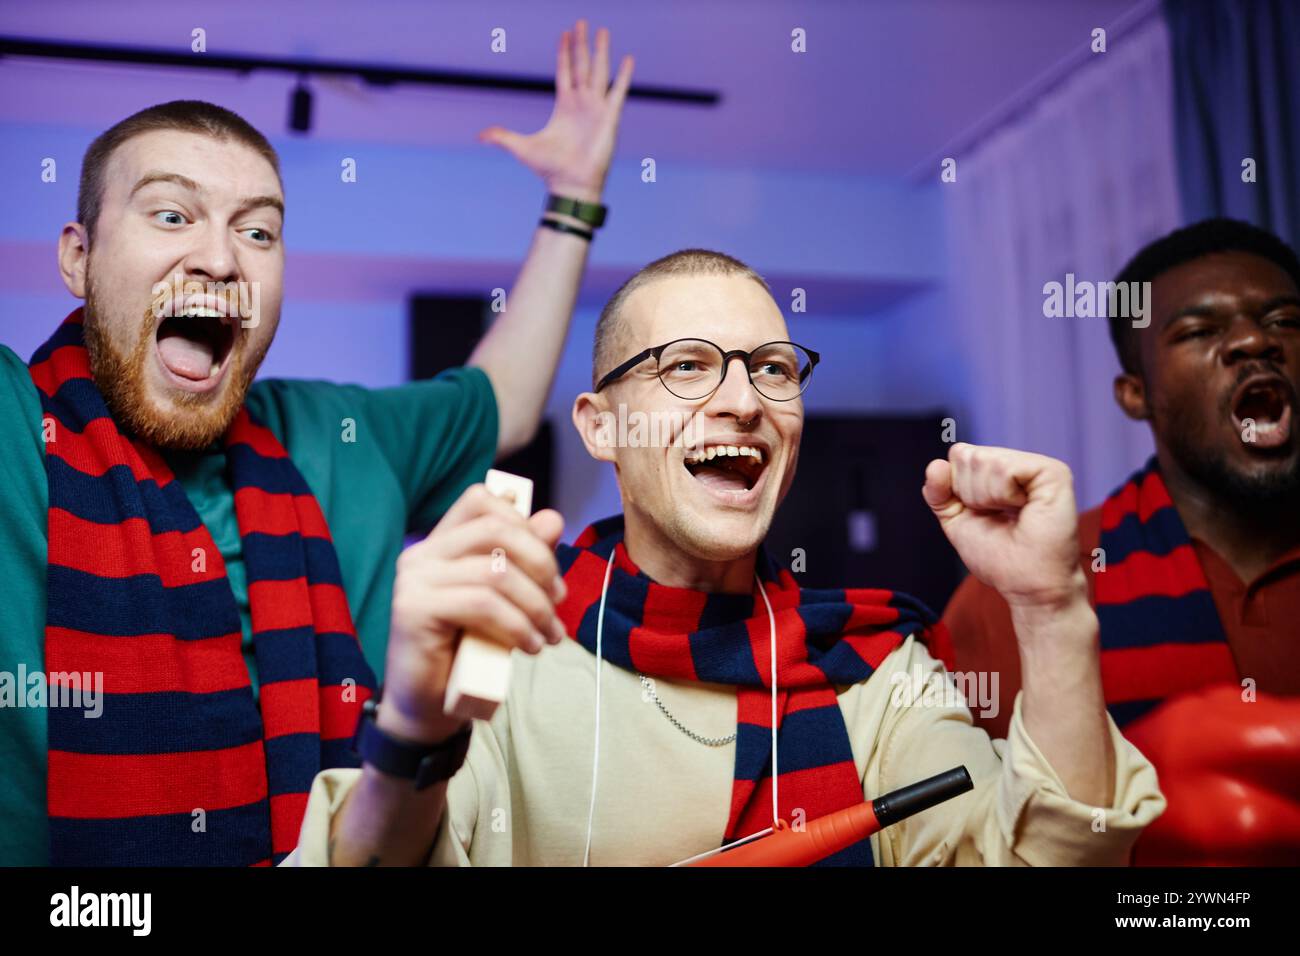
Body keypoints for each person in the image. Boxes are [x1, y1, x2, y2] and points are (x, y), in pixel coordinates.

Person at [289, 249, 1164, 867]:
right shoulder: (497, 646)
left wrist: (1052, 612)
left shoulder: (875, 668)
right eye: (688, 367)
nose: (744, 400)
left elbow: (1045, 862)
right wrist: (410, 726)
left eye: (774, 368)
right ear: (601, 428)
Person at [0, 19, 634, 866]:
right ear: (78, 258)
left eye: (258, 231)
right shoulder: (14, 425)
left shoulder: (339, 440)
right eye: (171, 213)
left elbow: (506, 403)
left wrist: (572, 202)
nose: (220, 260)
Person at [939, 218, 1300, 863]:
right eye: (1200, 331)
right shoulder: (1022, 590)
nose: (1254, 341)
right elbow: (970, 840)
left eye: (1284, 322)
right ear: (1136, 396)